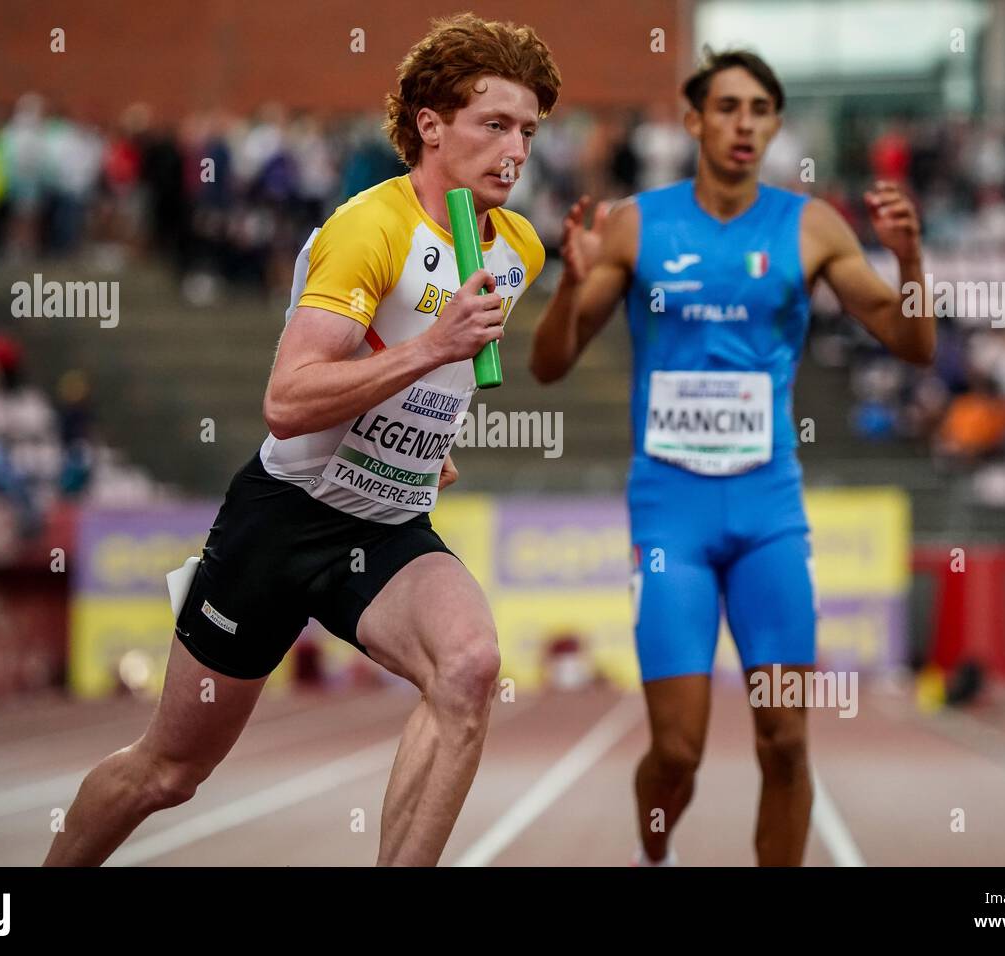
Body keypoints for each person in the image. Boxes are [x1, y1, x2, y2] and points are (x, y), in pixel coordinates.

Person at [45, 13, 557, 868]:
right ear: (430, 125)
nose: (516, 150)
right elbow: (286, 400)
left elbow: (435, 371)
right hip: (282, 521)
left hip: (387, 527)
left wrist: (428, 437)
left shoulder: (520, 251)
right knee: (168, 772)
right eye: (494, 124)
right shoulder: (369, 230)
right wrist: (436, 349)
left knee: (469, 666)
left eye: (530, 132)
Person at [531, 49, 934, 866]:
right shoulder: (638, 224)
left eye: (760, 110)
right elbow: (549, 363)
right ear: (695, 121)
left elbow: (913, 342)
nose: (744, 123)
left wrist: (911, 261)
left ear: (775, 125)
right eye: (727, 107)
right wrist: (570, 287)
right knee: (677, 752)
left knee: (785, 739)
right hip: (669, 515)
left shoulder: (812, 225)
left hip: (768, 516)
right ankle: (655, 854)